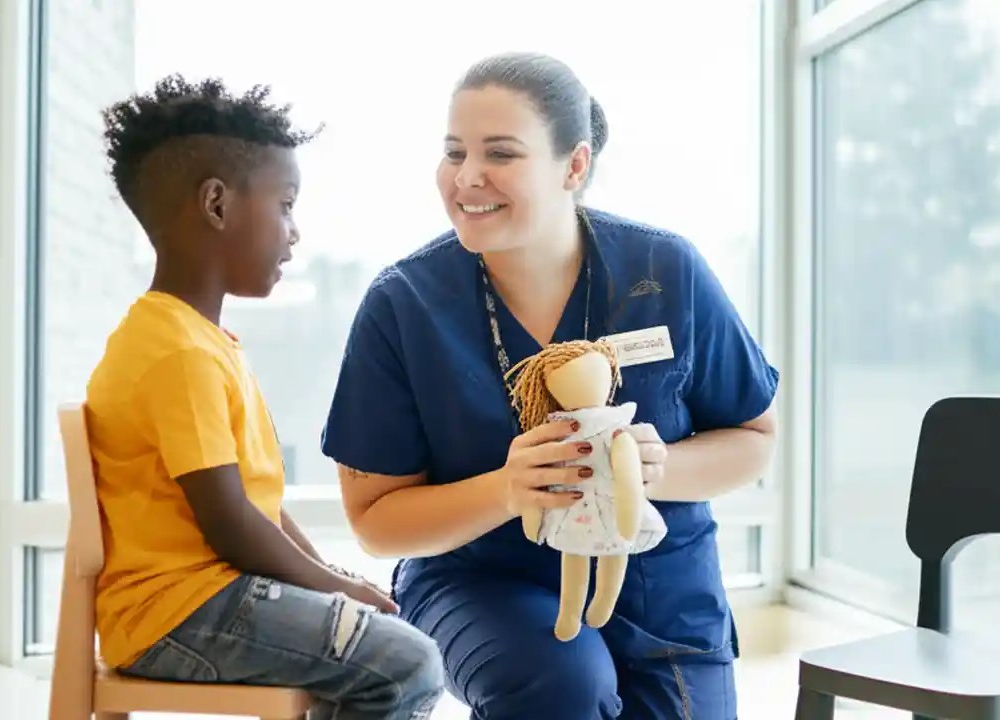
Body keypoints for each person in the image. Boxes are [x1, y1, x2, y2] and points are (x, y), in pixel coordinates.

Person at [321, 52, 779, 719]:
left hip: (659, 582)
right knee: (561, 684)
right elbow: (375, 519)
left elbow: (754, 439)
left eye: (500, 153)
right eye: (454, 153)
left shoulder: (664, 269)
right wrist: (508, 490)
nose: (467, 177)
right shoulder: (405, 303)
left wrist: (654, 469)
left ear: (574, 165)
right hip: (480, 579)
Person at [84, 75, 443, 720]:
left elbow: (257, 509)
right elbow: (231, 526)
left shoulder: (197, 339)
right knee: (406, 663)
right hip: (180, 614)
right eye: (286, 204)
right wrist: (333, 588)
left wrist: (332, 579)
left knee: (386, 642)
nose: (294, 232)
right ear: (217, 205)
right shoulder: (179, 353)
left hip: (204, 602)